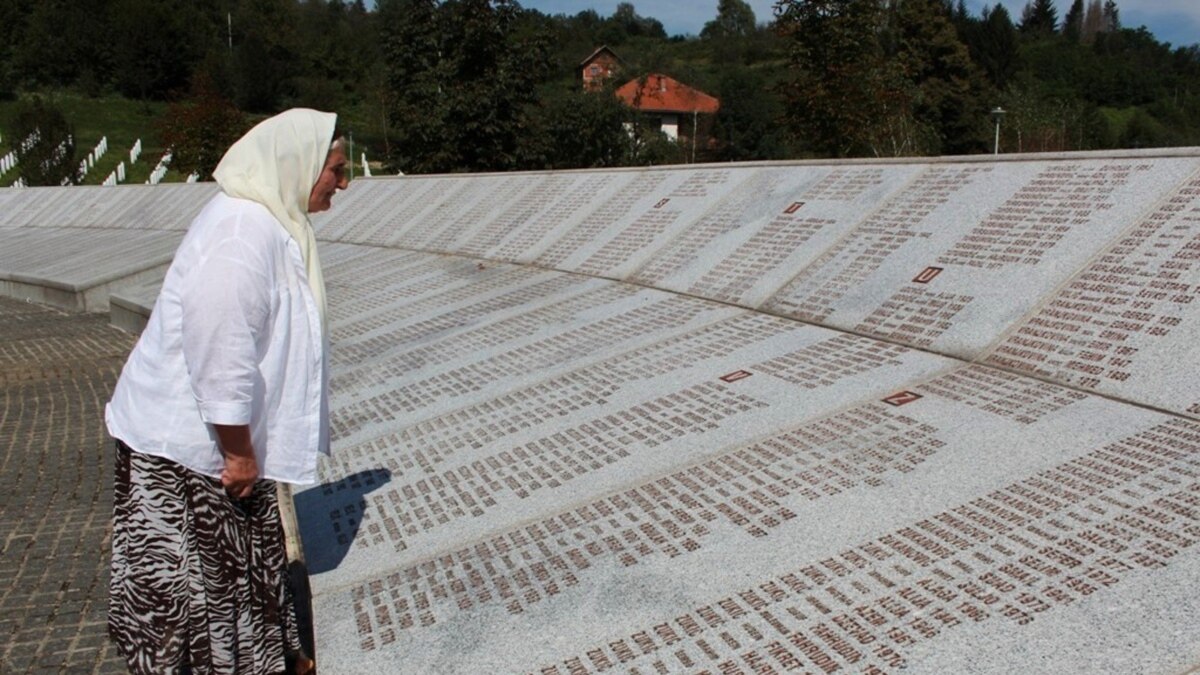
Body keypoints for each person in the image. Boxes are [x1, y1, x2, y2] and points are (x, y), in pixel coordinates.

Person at [105, 108, 348, 674]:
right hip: (188, 452)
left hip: (226, 446)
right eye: (335, 170)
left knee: (238, 573)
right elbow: (219, 344)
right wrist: (239, 451)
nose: (344, 182)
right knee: (193, 590)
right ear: (298, 166)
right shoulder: (242, 232)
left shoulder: (271, 221)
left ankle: (256, 661)